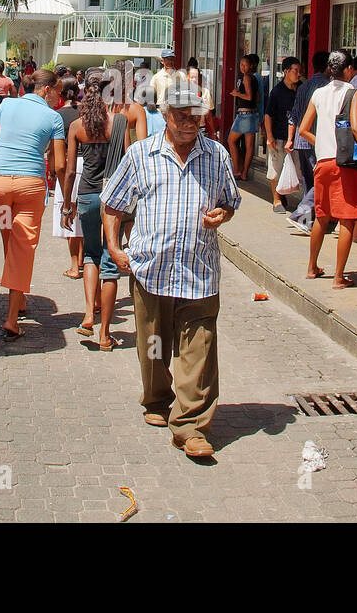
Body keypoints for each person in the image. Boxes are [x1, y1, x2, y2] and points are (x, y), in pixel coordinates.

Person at [102, 81, 241, 459]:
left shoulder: (216, 156)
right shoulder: (140, 155)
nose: (190, 122)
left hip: (199, 271)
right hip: (151, 270)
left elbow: (230, 201)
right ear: (164, 115)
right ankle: (158, 397)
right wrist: (114, 247)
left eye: (196, 115)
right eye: (181, 115)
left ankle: (191, 425)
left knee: (199, 347)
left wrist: (221, 215)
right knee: (153, 347)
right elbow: (113, 204)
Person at [0, 69, 65, 339]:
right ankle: (11, 319)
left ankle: (18, 298)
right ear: (45, 90)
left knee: (10, 237)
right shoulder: (54, 118)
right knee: (23, 246)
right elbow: (60, 163)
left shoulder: (6, 105)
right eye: (58, 91)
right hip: (29, 188)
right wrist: (63, 189)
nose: (59, 97)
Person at [60, 71, 129, 350]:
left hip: (87, 195)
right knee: (111, 259)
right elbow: (127, 163)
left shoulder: (77, 126)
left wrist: (67, 204)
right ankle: (105, 334)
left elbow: (69, 171)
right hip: (114, 200)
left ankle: (89, 314)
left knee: (90, 254)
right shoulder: (120, 122)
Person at [297, 51, 357, 289]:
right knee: (348, 221)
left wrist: (321, 142)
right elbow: (356, 127)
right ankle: (339, 277)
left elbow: (303, 129)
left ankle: (312, 266)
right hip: (345, 165)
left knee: (322, 216)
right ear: (349, 69)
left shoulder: (319, 93)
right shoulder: (352, 93)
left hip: (322, 163)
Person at [285, 50, 331, 232]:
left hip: (301, 141)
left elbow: (294, 114)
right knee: (320, 182)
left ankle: (306, 220)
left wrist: (290, 139)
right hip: (316, 140)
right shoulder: (326, 87)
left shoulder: (303, 87)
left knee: (309, 182)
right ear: (328, 67)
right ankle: (301, 215)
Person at [53, 77, 84, 280]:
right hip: (87, 165)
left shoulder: (56, 116)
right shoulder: (85, 113)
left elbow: (53, 149)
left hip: (66, 165)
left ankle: (74, 265)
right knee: (83, 214)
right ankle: (82, 260)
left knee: (68, 212)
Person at [264, 56, 302, 212]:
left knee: (297, 169)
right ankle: (276, 199)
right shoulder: (277, 91)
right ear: (286, 71)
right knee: (276, 168)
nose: (299, 74)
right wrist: (269, 136)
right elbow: (268, 115)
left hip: (297, 138)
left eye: (300, 71)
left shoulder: (301, 88)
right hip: (279, 135)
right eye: (296, 70)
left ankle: (289, 196)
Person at [227, 54, 260, 181]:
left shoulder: (246, 77)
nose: (242, 67)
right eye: (241, 64)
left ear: (250, 65)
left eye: (245, 64)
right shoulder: (255, 78)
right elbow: (257, 98)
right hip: (253, 114)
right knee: (249, 145)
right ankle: (245, 172)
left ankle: (236, 170)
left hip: (244, 115)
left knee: (231, 140)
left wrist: (237, 93)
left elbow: (249, 97)